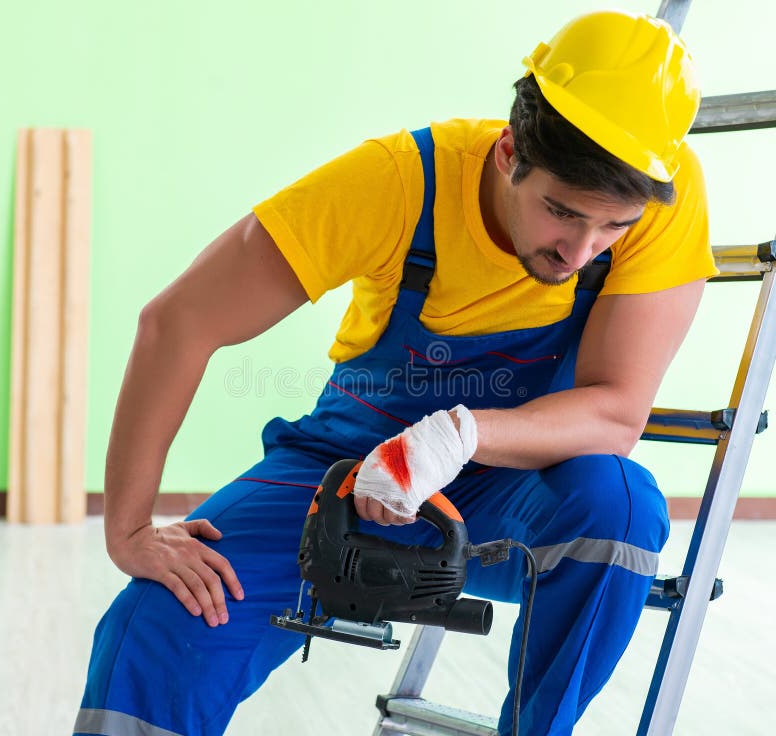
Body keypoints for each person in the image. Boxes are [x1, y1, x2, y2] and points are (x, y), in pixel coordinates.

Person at [74, 9, 718, 736]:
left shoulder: (665, 196)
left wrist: (452, 438)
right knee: (164, 619)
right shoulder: (399, 182)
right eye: (562, 214)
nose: (582, 250)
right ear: (510, 152)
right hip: (344, 465)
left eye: (612, 229)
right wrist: (127, 529)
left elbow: (615, 413)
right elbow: (178, 321)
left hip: (505, 488)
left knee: (620, 506)